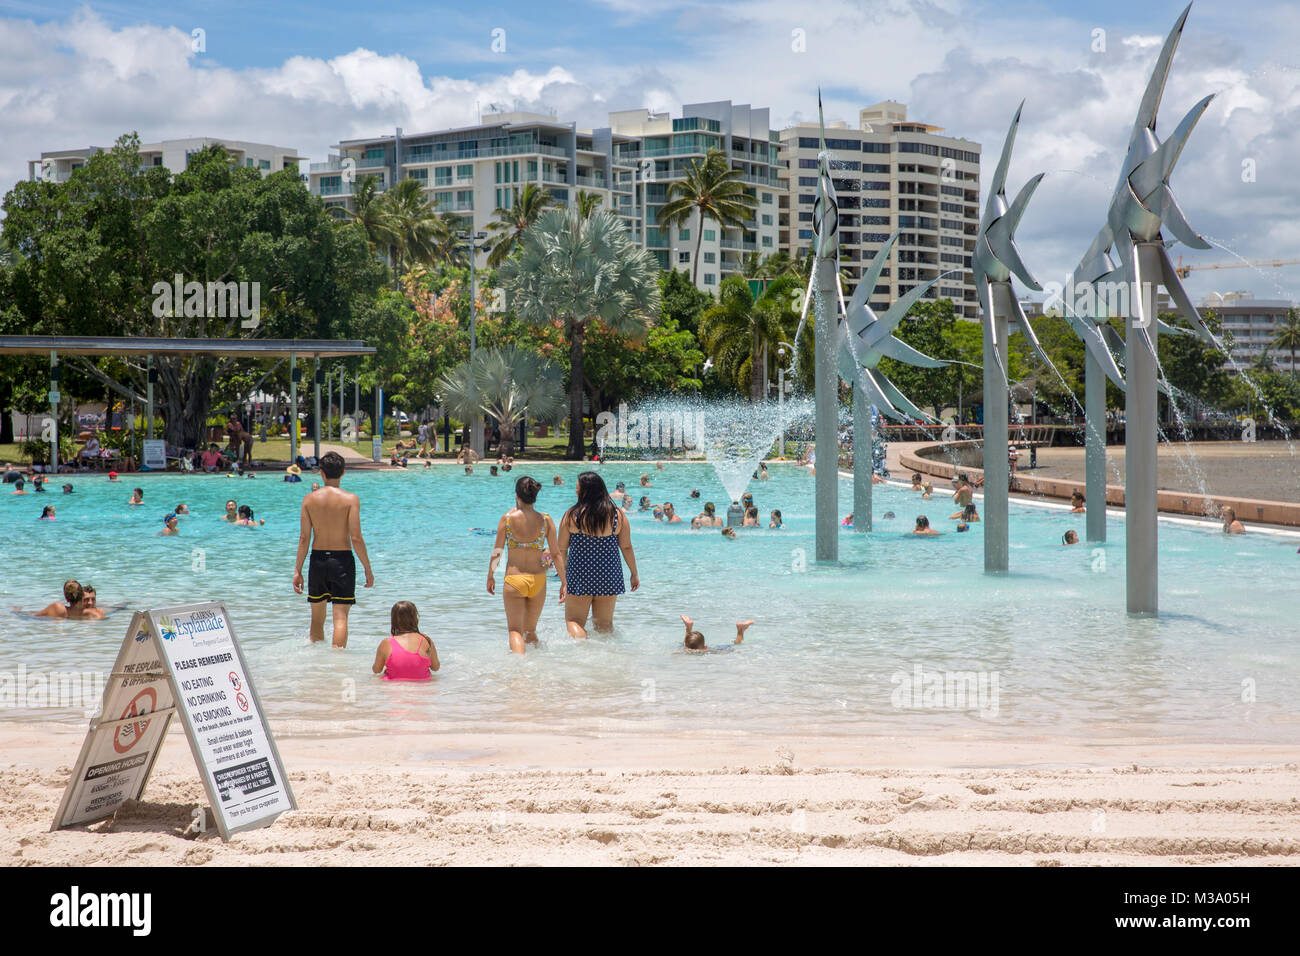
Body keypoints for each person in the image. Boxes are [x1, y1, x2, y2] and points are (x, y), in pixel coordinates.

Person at [294, 451, 375, 648]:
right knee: (340, 619)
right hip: (342, 561)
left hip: (318, 560)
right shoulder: (350, 500)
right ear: (343, 472)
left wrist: (298, 570)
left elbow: (304, 538)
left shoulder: (309, 500)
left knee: (316, 619)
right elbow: (356, 538)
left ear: (321, 473)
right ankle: (337, 666)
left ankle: (318, 666)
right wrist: (367, 568)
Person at [488, 476, 564, 654]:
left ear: (517, 495)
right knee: (530, 631)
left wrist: (490, 576)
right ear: (535, 496)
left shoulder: (506, 519)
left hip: (514, 580)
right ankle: (536, 669)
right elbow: (556, 553)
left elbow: (497, 550)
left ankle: (520, 670)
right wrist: (564, 581)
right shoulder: (546, 520)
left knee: (515, 631)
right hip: (538, 580)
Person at [558, 471, 639, 639]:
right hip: (609, 575)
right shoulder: (618, 515)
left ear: (586, 491)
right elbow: (626, 547)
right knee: (604, 625)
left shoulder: (573, 516)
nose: (575, 491)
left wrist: (563, 579)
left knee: (574, 621)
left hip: (580, 576)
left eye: (577, 488)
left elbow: (561, 549)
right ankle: (606, 657)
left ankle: (584, 651)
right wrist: (634, 573)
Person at [372, 601, 440, 681]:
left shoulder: (386, 643)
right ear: (415, 618)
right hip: (423, 685)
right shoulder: (426, 640)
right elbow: (435, 667)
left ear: (393, 620)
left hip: (393, 688)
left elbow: (376, 670)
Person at [30, 580, 104, 620]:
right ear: (82, 596)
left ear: (66, 598)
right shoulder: (94, 613)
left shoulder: (57, 608)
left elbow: (32, 616)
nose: (90, 602)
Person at [681, 613, 753, 652]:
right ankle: (740, 630)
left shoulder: (686, 649)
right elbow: (722, 651)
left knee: (685, 643)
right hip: (717, 648)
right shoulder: (707, 650)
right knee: (736, 644)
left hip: (689, 647)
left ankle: (688, 627)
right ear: (705, 647)